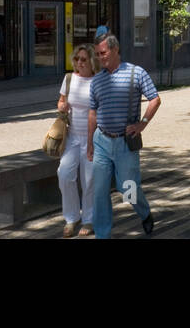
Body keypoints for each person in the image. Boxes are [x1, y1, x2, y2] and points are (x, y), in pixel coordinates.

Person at [88, 34, 160, 238]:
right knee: (100, 192)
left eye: (103, 53)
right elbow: (92, 113)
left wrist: (142, 123)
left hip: (124, 143)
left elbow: (155, 99)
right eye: (97, 54)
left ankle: (144, 213)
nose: (100, 57)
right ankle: (103, 234)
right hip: (101, 140)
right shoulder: (98, 80)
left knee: (128, 188)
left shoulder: (136, 73)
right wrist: (89, 144)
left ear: (115, 50)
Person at [57, 44, 98, 238]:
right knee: (64, 174)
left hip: (93, 138)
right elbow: (61, 101)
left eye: (83, 59)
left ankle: (89, 219)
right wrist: (62, 106)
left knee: (89, 180)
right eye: (77, 59)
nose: (79, 63)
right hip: (72, 137)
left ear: (92, 61)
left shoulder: (98, 81)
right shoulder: (69, 79)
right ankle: (71, 217)